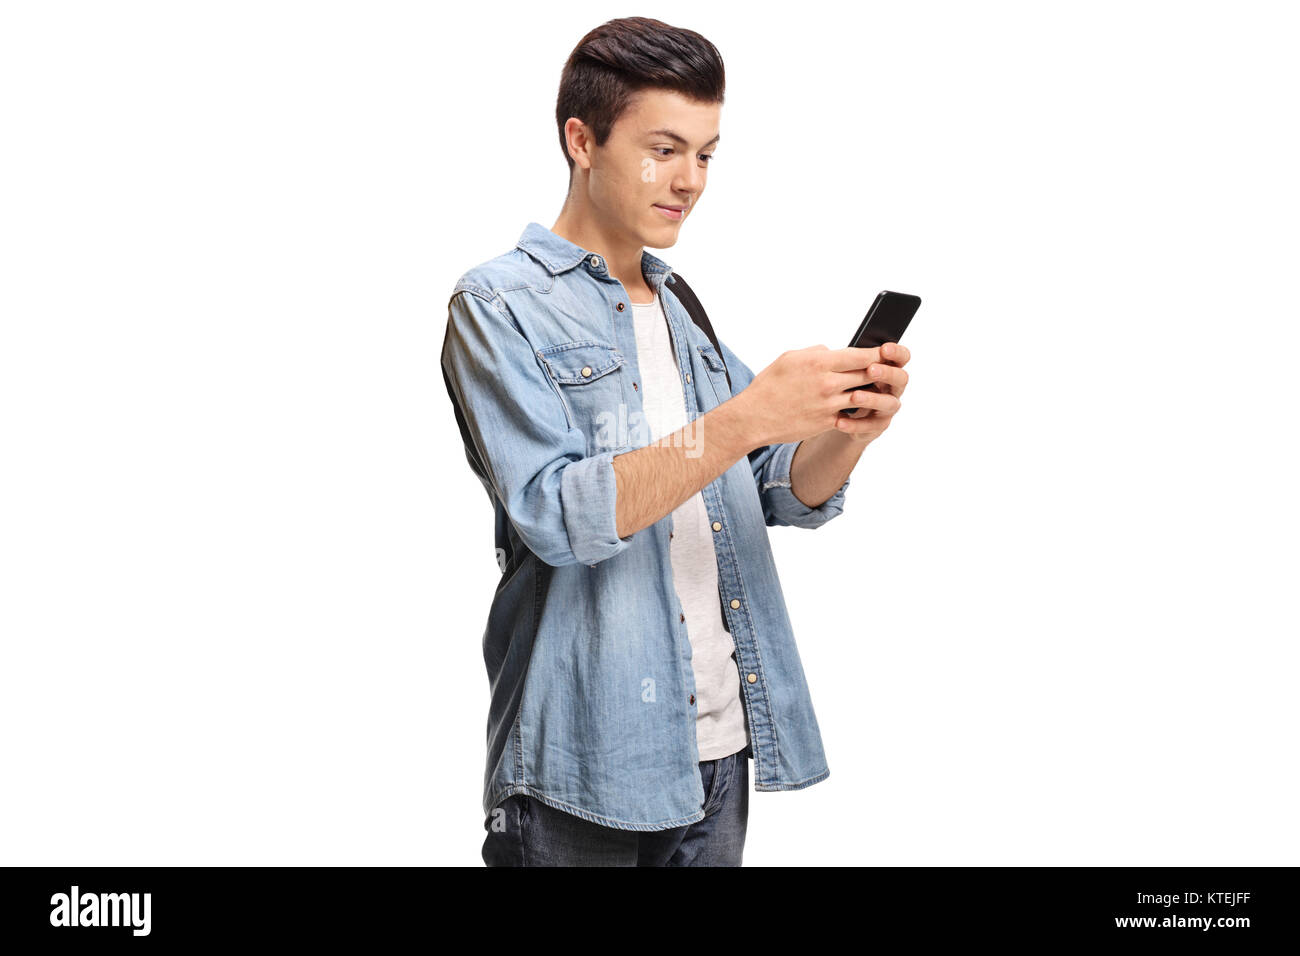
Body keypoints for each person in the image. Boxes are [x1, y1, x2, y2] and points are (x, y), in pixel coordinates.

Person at [440, 16, 911, 867]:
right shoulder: (498, 305)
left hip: (719, 754)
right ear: (581, 140)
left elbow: (773, 488)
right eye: (664, 148)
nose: (689, 179)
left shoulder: (680, 304)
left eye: (706, 153)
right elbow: (554, 512)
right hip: (586, 766)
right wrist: (749, 416)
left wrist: (847, 434)